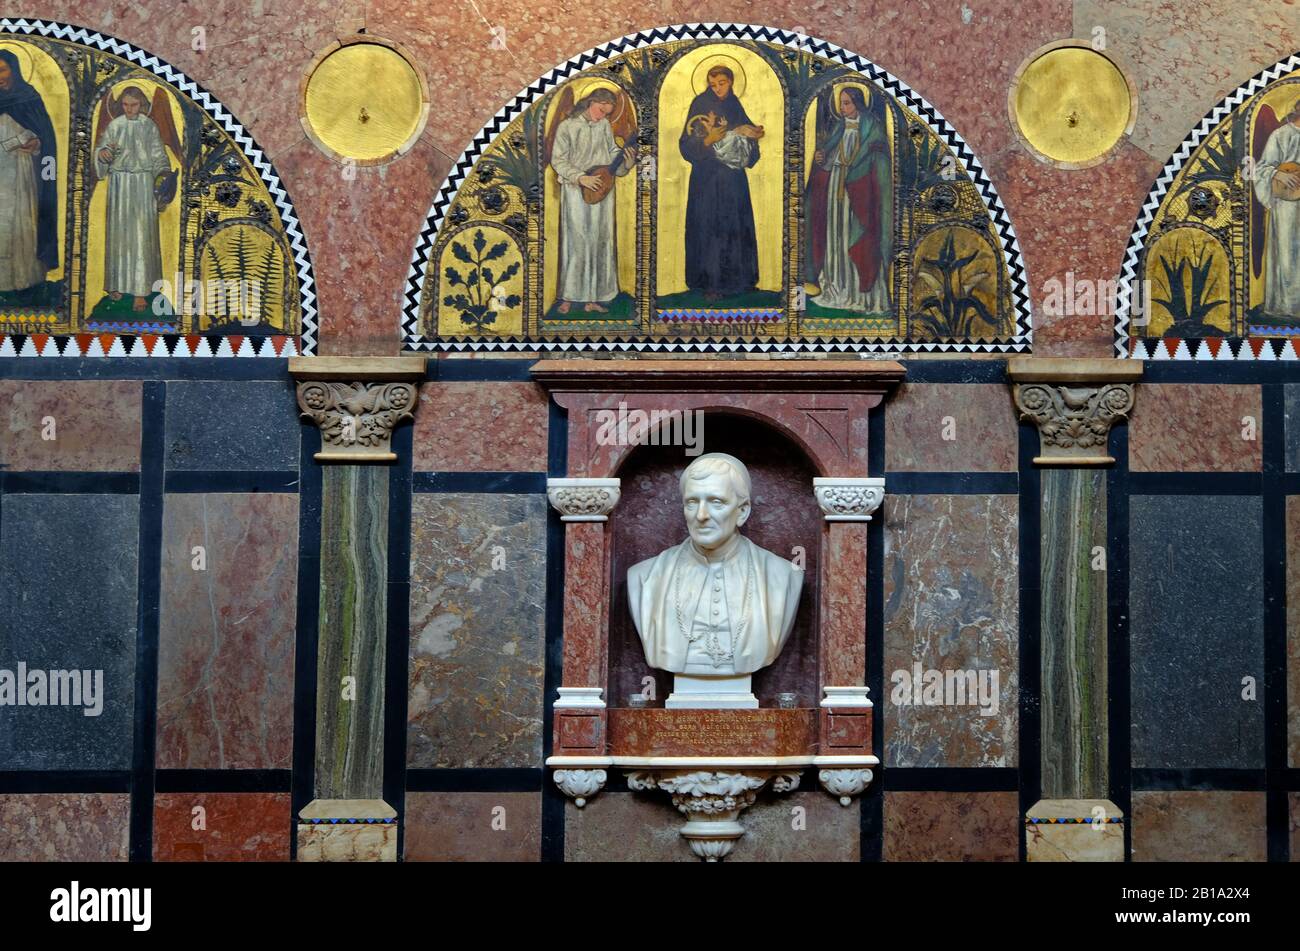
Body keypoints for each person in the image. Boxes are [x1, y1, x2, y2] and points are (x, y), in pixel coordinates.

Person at [627, 453, 802, 679]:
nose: (701, 515)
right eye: (692, 502)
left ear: (742, 512)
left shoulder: (783, 576)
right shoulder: (644, 578)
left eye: (716, 502)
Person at [679, 66, 764, 300]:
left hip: (733, 180)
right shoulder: (700, 104)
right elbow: (686, 145)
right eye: (713, 84)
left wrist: (753, 135)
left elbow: (748, 142)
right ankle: (711, 284)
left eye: (722, 83)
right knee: (710, 227)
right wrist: (708, 139)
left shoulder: (735, 104)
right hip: (707, 180)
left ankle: (741, 280)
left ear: (732, 81)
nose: (717, 88)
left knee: (737, 225)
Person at [805, 86, 892, 313]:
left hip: (860, 196)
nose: (843, 109)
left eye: (847, 103)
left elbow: (880, 164)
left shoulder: (872, 129)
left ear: (858, 103)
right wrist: (820, 157)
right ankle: (836, 285)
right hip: (836, 192)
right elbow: (828, 159)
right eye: (841, 104)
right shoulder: (839, 129)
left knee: (853, 236)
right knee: (836, 235)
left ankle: (859, 293)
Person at [548, 87, 635, 314]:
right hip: (577, 190)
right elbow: (558, 160)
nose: (601, 116)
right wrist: (581, 178)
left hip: (603, 189)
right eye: (600, 110)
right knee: (577, 241)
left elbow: (611, 152)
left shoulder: (604, 126)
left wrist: (626, 162)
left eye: (606, 113)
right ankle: (568, 296)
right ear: (590, 102)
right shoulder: (568, 126)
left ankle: (593, 298)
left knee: (600, 241)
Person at [94, 86, 172, 312]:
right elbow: (102, 150)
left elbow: (159, 156)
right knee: (119, 235)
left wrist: (163, 181)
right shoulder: (115, 125)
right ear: (121, 105)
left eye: (134, 105)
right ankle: (115, 285)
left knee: (141, 237)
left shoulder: (150, 127)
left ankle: (140, 292)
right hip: (119, 184)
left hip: (144, 185)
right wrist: (102, 155)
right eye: (126, 105)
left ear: (143, 106)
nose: (130, 109)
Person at [0, 48, 58, 298]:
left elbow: (45, 136)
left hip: (22, 172)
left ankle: (24, 280)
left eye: (2, 69)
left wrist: (37, 144)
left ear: (14, 69)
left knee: (21, 222)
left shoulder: (29, 97)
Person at [1252, 98, 1300, 317]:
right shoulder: (1281, 135)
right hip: (1286, 205)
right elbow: (1261, 169)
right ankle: (1288, 307)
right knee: (1288, 254)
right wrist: (1278, 173)